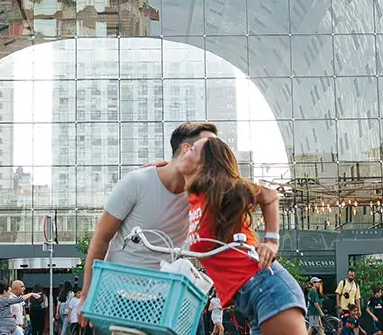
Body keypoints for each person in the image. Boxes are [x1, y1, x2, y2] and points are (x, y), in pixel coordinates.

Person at [76, 122, 220, 321]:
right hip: (117, 293)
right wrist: (86, 294)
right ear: (187, 149)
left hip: (162, 297)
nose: (216, 155)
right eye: (209, 148)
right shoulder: (137, 182)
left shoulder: (201, 195)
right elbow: (101, 238)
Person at [171, 136, 304, 335]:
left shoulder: (222, 188)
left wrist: (271, 242)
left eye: (192, 150)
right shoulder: (195, 198)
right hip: (251, 300)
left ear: (205, 162)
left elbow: (269, 196)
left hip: (268, 289)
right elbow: (171, 176)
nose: (185, 150)